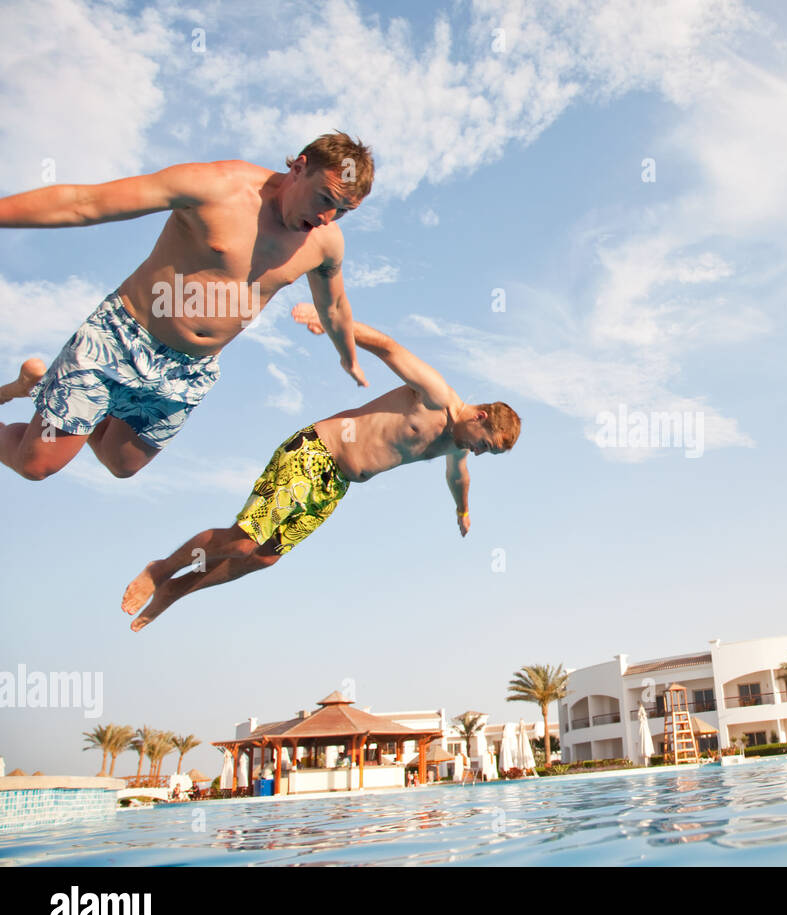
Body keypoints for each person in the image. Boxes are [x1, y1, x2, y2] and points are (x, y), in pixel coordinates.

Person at [0, 132, 375, 481]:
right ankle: (56, 404)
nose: (327, 218)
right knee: (37, 465)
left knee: (121, 463)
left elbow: (335, 306)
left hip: (189, 371)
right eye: (325, 199)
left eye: (343, 210)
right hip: (121, 338)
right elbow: (86, 204)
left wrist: (349, 358)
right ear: (299, 168)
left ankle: (58, 398)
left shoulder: (325, 243)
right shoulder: (215, 187)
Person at [120, 305, 520, 630]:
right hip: (314, 454)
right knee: (244, 541)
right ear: (481, 417)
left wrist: (462, 510)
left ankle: (178, 590)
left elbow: (458, 475)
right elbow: (388, 348)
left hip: (335, 486)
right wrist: (330, 321)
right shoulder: (435, 395)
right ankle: (162, 570)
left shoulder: (457, 445)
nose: (479, 453)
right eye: (485, 446)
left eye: (488, 454)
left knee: (263, 557)